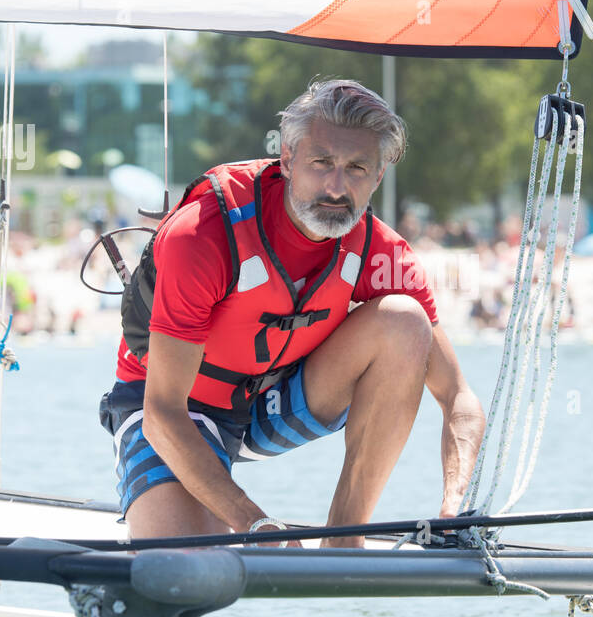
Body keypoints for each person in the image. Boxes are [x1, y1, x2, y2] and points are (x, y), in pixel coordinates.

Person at [98, 79, 486, 547]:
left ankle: (345, 540)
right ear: (286, 159)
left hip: (269, 405)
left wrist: (453, 509)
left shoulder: (382, 253)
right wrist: (254, 522)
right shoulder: (204, 233)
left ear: (378, 176)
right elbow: (162, 413)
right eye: (321, 163)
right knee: (191, 566)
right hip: (173, 410)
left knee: (405, 321)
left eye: (357, 168)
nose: (336, 188)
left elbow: (458, 398)